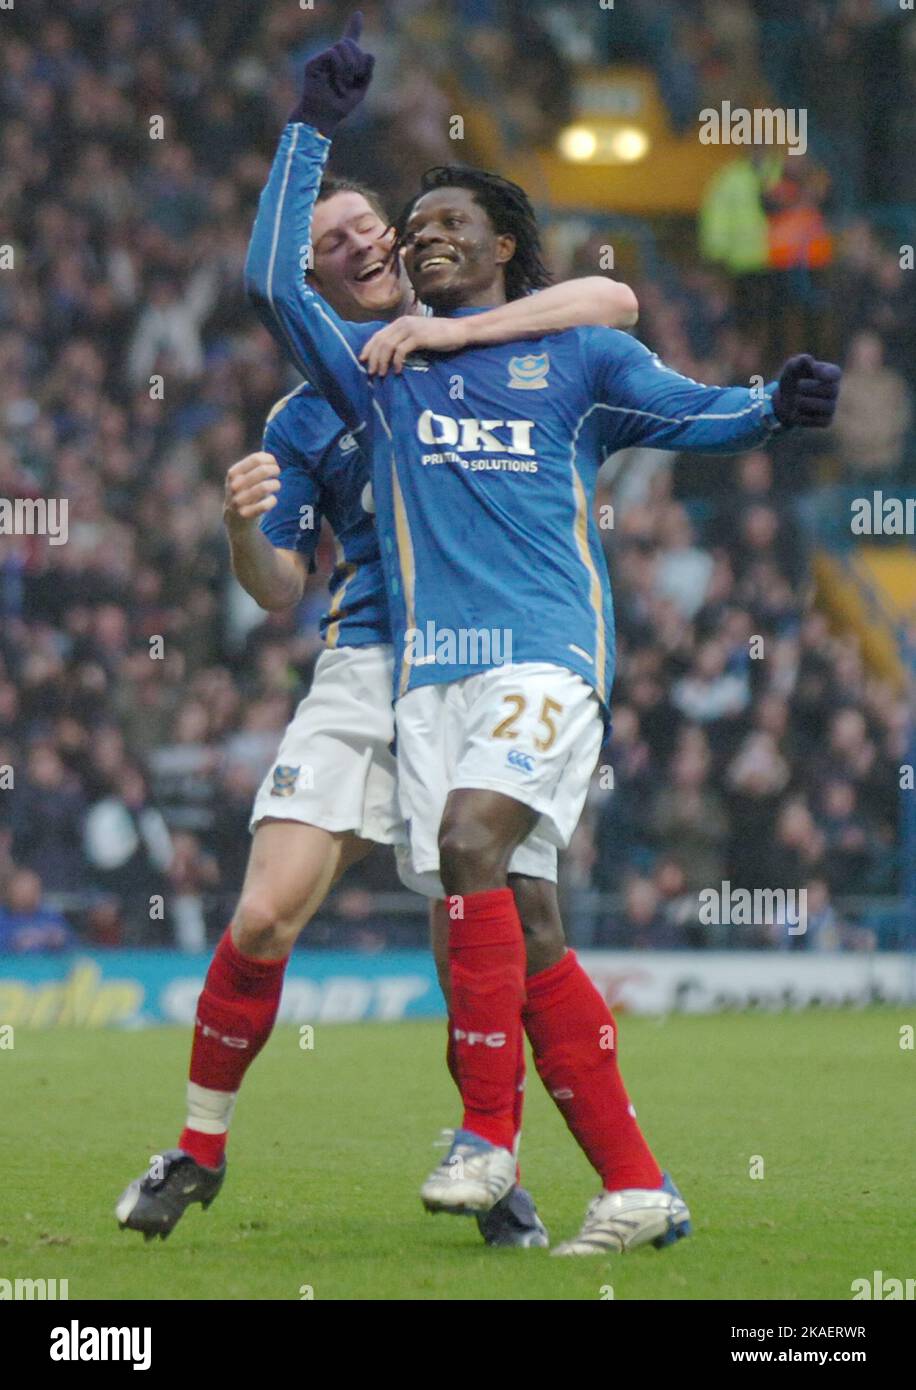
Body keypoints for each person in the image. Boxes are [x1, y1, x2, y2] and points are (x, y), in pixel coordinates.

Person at [243, 15, 841, 1254]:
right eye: (414, 234)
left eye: (450, 224)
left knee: (471, 842)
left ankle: (485, 1139)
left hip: (547, 658)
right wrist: (308, 132)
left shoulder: (579, 356)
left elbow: (697, 413)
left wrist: (775, 407)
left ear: (505, 245)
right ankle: (636, 1184)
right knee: (528, 915)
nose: (421, 240)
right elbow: (269, 283)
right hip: (425, 687)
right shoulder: (378, 367)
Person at [114, 145, 641, 1246]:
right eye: (329, 245)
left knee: (477, 942)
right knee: (264, 909)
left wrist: (456, 328)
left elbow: (608, 296)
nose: (358, 246)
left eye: (369, 228)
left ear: (405, 243)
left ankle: (494, 1163)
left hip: (497, 664)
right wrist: (235, 527)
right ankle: (197, 1149)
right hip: (369, 666)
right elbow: (272, 590)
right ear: (314, 278)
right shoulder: (309, 410)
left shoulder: (494, 337)